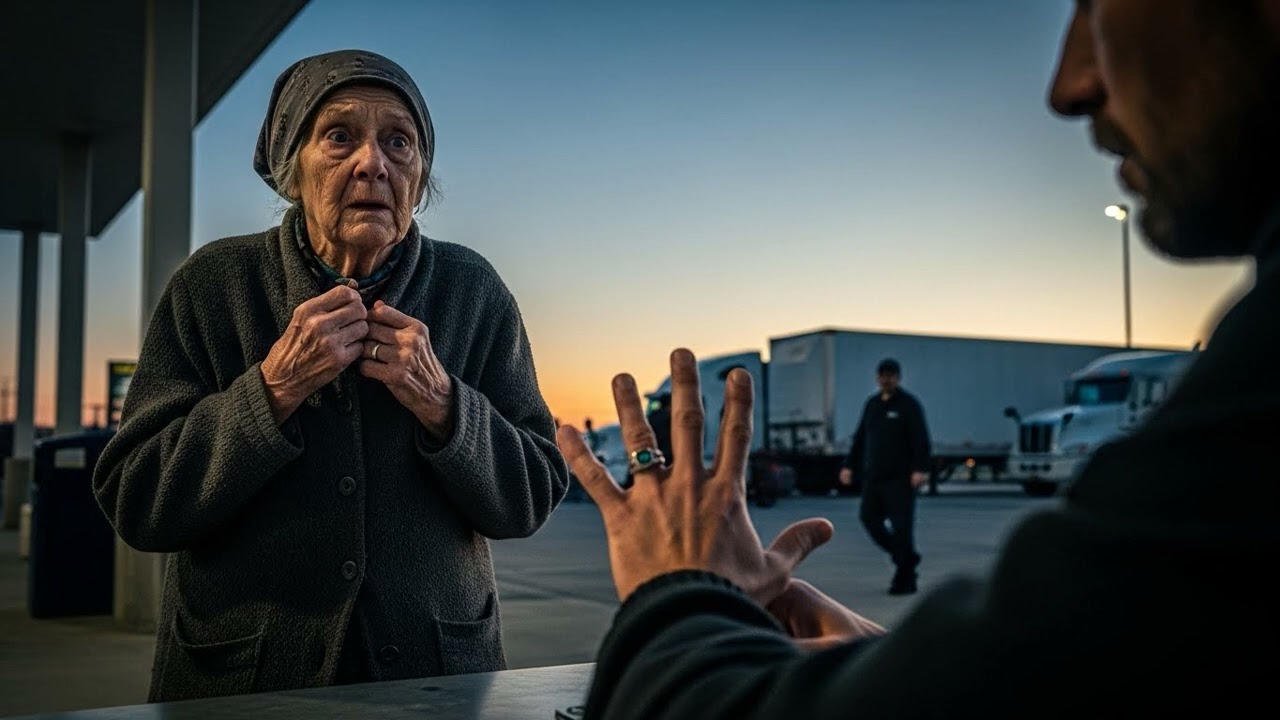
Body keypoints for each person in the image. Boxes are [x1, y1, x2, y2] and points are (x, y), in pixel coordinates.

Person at [555, 2, 1280, 717]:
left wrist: (679, 597)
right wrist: (898, 673)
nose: (1068, 85)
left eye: (1095, 5)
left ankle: (903, 563)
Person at [92, 49, 569, 703]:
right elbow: (138, 502)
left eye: (398, 141)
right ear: (295, 169)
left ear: (420, 175)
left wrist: (444, 403)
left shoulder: (472, 291)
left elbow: (533, 495)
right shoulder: (212, 287)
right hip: (242, 685)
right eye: (340, 135)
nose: (373, 162)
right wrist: (272, 390)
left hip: (436, 682)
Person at [837, 357, 931, 594]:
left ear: (898, 378)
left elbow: (920, 438)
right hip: (874, 478)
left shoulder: (908, 405)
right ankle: (907, 558)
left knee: (902, 529)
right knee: (869, 519)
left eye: (891, 375)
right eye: (882, 375)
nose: (886, 380)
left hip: (900, 479)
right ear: (877, 378)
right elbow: (860, 438)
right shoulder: (872, 405)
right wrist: (849, 466)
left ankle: (905, 580)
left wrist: (920, 469)